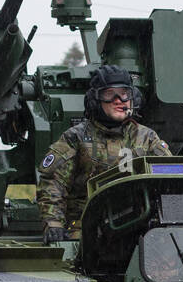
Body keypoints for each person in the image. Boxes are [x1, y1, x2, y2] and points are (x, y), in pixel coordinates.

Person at [35, 64, 172, 242]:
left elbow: (170, 179)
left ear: (133, 98)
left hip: (138, 229)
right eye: (109, 94)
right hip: (84, 230)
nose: (118, 100)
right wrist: (54, 224)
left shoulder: (147, 138)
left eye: (124, 94)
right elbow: (53, 184)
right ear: (95, 100)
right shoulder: (75, 137)